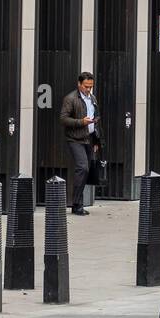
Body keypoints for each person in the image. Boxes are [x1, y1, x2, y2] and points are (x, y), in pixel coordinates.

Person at [59, 71, 100, 216]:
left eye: (91, 87)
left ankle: (78, 204)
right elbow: (63, 119)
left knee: (86, 170)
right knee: (82, 167)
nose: (88, 90)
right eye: (86, 86)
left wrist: (96, 140)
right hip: (75, 138)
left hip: (89, 138)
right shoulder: (70, 99)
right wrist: (81, 122)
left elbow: (96, 119)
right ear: (79, 84)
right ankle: (76, 204)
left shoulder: (93, 98)